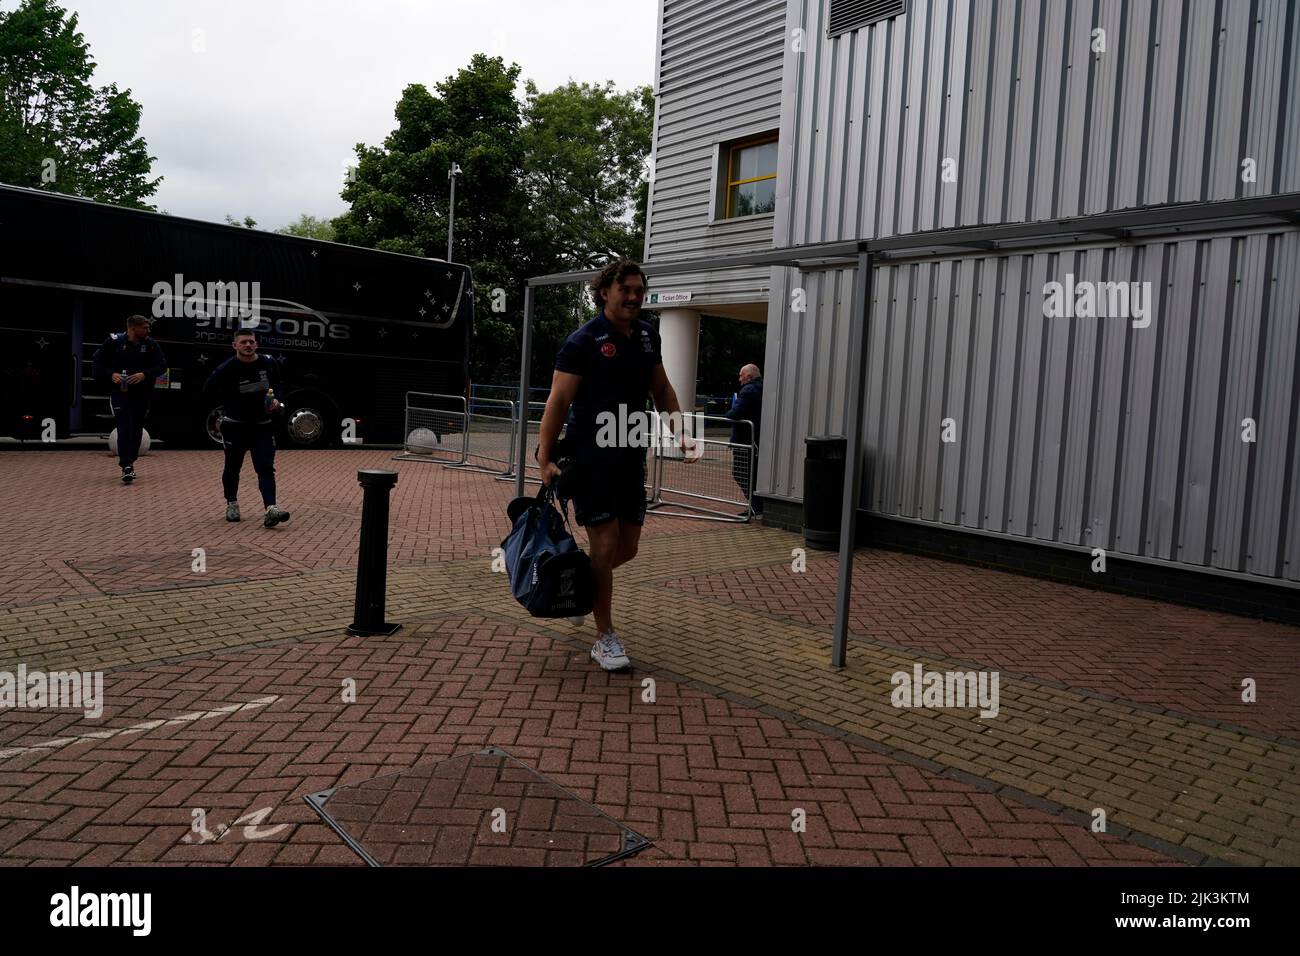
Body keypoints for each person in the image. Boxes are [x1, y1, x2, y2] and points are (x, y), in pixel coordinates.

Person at [535, 258, 696, 671]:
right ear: (605, 292)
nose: (634, 297)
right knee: (604, 542)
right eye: (625, 289)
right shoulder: (582, 341)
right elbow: (557, 401)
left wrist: (679, 430)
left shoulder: (647, 335)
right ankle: (604, 636)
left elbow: (660, 388)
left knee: (629, 547)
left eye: (639, 290)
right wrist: (544, 456)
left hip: (629, 452)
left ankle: (580, 590)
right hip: (590, 456)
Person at [202, 328, 290, 527]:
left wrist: (278, 402)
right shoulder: (226, 369)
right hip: (235, 427)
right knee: (233, 468)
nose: (248, 345)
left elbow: (279, 386)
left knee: (265, 468)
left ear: (256, 344)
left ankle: (271, 509)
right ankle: (232, 503)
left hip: (263, 427)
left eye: (251, 341)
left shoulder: (269, 363)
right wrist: (225, 408)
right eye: (243, 342)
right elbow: (207, 391)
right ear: (235, 345)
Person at [92, 314, 167, 483]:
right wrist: (111, 375)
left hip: (142, 394)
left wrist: (144, 375)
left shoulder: (151, 345)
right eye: (145, 327)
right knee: (124, 428)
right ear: (133, 328)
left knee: (136, 430)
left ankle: (131, 459)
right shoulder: (114, 342)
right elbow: (98, 363)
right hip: (121, 394)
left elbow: (162, 366)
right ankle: (126, 466)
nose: (148, 330)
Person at [725, 363, 763, 514]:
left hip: (745, 440)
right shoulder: (762, 388)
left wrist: (727, 415)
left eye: (741, 375)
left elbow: (736, 413)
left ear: (749, 376)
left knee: (741, 472)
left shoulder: (748, 390)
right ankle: (757, 505)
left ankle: (756, 506)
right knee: (751, 473)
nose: (739, 379)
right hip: (754, 440)